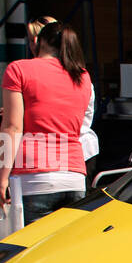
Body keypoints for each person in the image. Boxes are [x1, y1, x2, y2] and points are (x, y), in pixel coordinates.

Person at [0, 21, 92, 225]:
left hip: (34, 177)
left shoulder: (18, 69)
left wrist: (2, 177)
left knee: (33, 252)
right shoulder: (82, 76)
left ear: (37, 42)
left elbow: (12, 128)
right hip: (74, 175)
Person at [26, 14, 97, 174]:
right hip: (63, 153)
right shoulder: (30, 72)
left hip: (73, 153)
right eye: (30, 40)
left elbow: (79, 119)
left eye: (37, 39)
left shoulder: (77, 75)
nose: (34, 45)